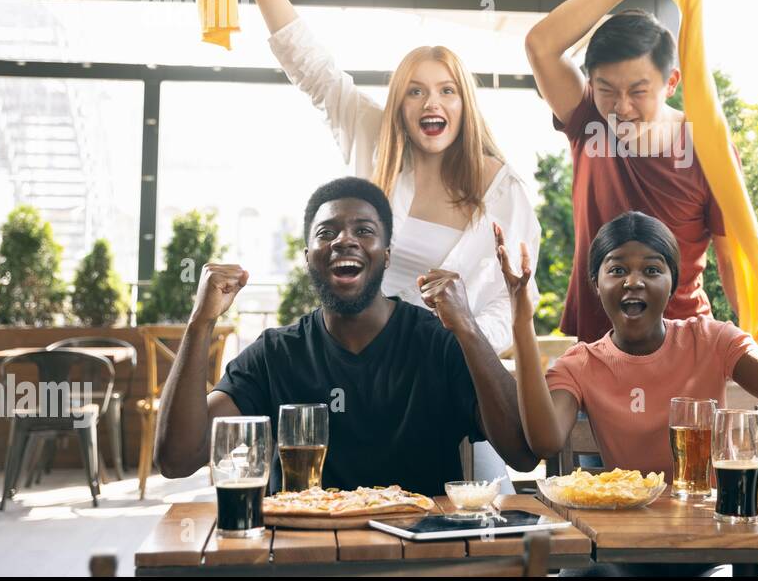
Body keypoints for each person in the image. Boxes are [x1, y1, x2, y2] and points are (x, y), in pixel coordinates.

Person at [218, 0, 540, 489]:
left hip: (444, 375)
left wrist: (451, 343)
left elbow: (512, 301)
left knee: (467, 510)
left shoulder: (502, 191)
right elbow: (308, 63)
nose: (432, 104)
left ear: (465, 103)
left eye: (447, 91)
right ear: (398, 103)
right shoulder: (373, 138)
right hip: (359, 363)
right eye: (415, 92)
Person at [155, 177, 538, 494]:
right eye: (327, 232)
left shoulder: (438, 342)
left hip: (417, 557)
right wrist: (199, 323)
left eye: (364, 231)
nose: (344, 240)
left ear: (386, 255)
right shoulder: (275, 354)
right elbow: (176, 459)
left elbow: (522, 454)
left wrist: (468, 327)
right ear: (308, 256)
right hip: (304, 558)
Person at [495, 202, 758, 479]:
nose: (633, 281)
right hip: (629, 542)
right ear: (596, 283)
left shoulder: (713, 339)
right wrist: (521, 320)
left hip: (715, 533)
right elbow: (545, 442)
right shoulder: (580, 364)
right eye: (618, 270)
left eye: (651, 271)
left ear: (672, 282)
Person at [523, 0, 735, 344]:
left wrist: (753, 335)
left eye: (639, 92)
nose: (621, 108)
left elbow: (730, 259)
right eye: (607, 90)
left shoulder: (707, 146)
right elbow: (541, 45)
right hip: (595, 346)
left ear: (671, 83)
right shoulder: (587, 119)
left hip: (683, 343)